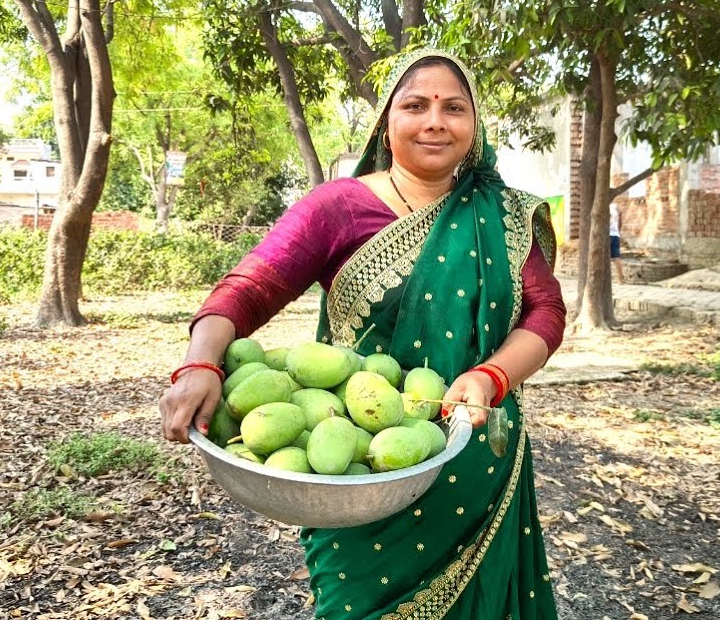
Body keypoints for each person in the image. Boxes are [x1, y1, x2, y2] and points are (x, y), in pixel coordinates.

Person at [159, 48, 566, 620]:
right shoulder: (339, 207)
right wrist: (200, 362)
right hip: (355, 459)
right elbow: (250, 287)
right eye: (416, 105)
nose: (435, 121)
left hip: (473, 445)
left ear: (474, 126)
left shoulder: (503, 214)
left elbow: (545, 313)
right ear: (387, 121)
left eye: (454, 107)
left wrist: (489, 376)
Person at [609, 200, 625, 283]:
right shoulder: (616, 206)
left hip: (608, 234)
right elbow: (621, 220)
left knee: (604, 257)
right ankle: (620, 279)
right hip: (616, 234)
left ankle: (606, 279)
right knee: (616, 257)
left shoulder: (605, 207)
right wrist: (618, 230)